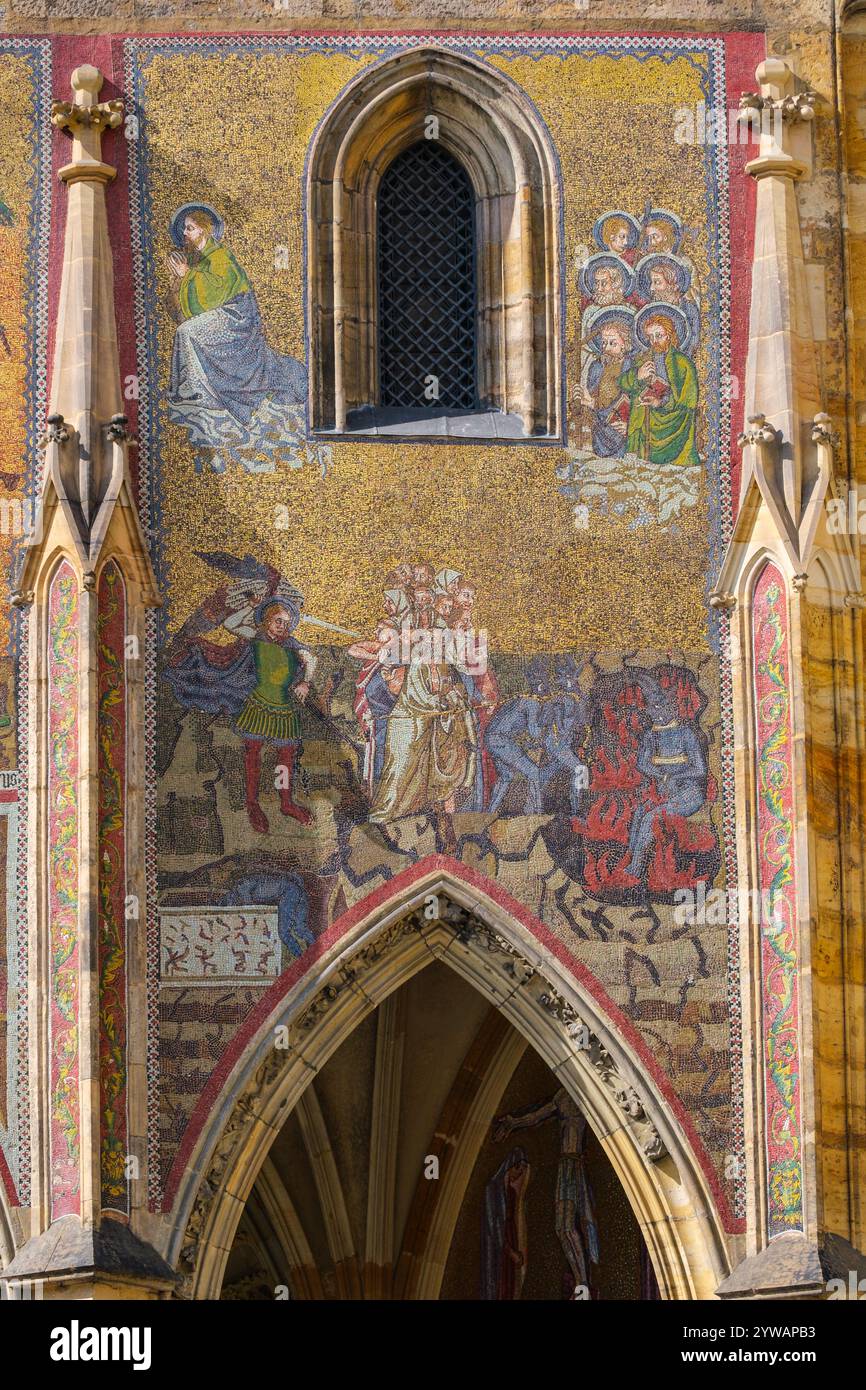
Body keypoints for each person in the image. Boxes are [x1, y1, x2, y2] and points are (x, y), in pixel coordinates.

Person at [166, 203, 306, 467]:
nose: (185, 233)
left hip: (236, 317)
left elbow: (218, 292)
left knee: (187, 331)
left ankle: (200, 392)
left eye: (190, 228)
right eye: (184, 228)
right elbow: (192, 299)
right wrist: (184, 277)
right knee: (185, 331)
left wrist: (187, 275)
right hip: (224, 314)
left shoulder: (219, 254)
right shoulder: (201, 258)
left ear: (205, 229)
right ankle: (189, 389)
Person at [493, 1089, 599, 1297]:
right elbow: (536, 1116)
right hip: (564, 1165)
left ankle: (583, 1282)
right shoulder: (562, 1097)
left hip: (576, 1165)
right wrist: (514, 1122)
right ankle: (580, 1281)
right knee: (562, 1228)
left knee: (574, 1226)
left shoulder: (591, 1093)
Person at [623, 678, 707, 879]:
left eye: (660, 706)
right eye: (652, 707)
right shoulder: (650, 736)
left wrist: (673, 775)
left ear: (672, 708)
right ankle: (632, 860)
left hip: (689, 793)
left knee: (651, 818)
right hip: (664, 791)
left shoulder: (686, 733)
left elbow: (699, 768)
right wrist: (661, 775)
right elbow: (642, 763)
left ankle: (635, 871)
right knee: (639, 812)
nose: (655, 712)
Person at [618, 308, 700, 467]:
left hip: (674, 418)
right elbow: (622, 383)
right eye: (650, 337)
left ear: (669, 336)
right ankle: (636, 454)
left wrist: (661, 403)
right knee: (638, 403)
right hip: (647, 415)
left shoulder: (683, 363)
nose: (654, 341)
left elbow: (688, 403)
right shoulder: (643, 358)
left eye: (659, 335)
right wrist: (637, 376)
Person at [576, 309, 635, 457]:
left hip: (624, 430)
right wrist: (585, 400)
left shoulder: (632, 367)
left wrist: (632, 425)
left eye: (612, 343)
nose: (606, 348)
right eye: (603, 343)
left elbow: (635, 402)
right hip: (600, 431)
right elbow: (593, 400)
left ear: (624, 344)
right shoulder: (597, 367)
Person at [481, 1149, 531, 1300]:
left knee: (510, 1286)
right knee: (499, 1284)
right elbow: (493, 1228)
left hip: (510, 1238)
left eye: (522, 1170)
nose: (519, 1173)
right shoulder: (492, 1190)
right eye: (518, 1168)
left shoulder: (511, 1192)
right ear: (509, 1166)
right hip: (498, 1248)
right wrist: (510, 1252)